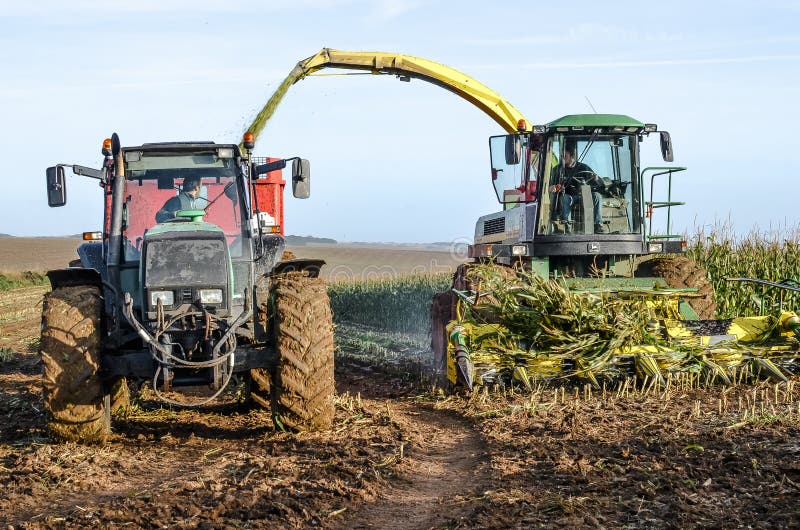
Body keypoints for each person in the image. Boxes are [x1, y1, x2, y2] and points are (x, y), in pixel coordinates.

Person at [551, 143, 605, 233]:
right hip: (569, 196)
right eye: (561, 156)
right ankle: (567, 226)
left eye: (565, 156)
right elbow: (551, 186)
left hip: (584, 196)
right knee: (564, 198)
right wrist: (557, 187)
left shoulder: (583, 167)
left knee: (597, 196)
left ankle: (597, 225)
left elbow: (600, 183)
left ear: (572, 157)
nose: (562, 158)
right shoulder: (557, 169)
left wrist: (596, 179)